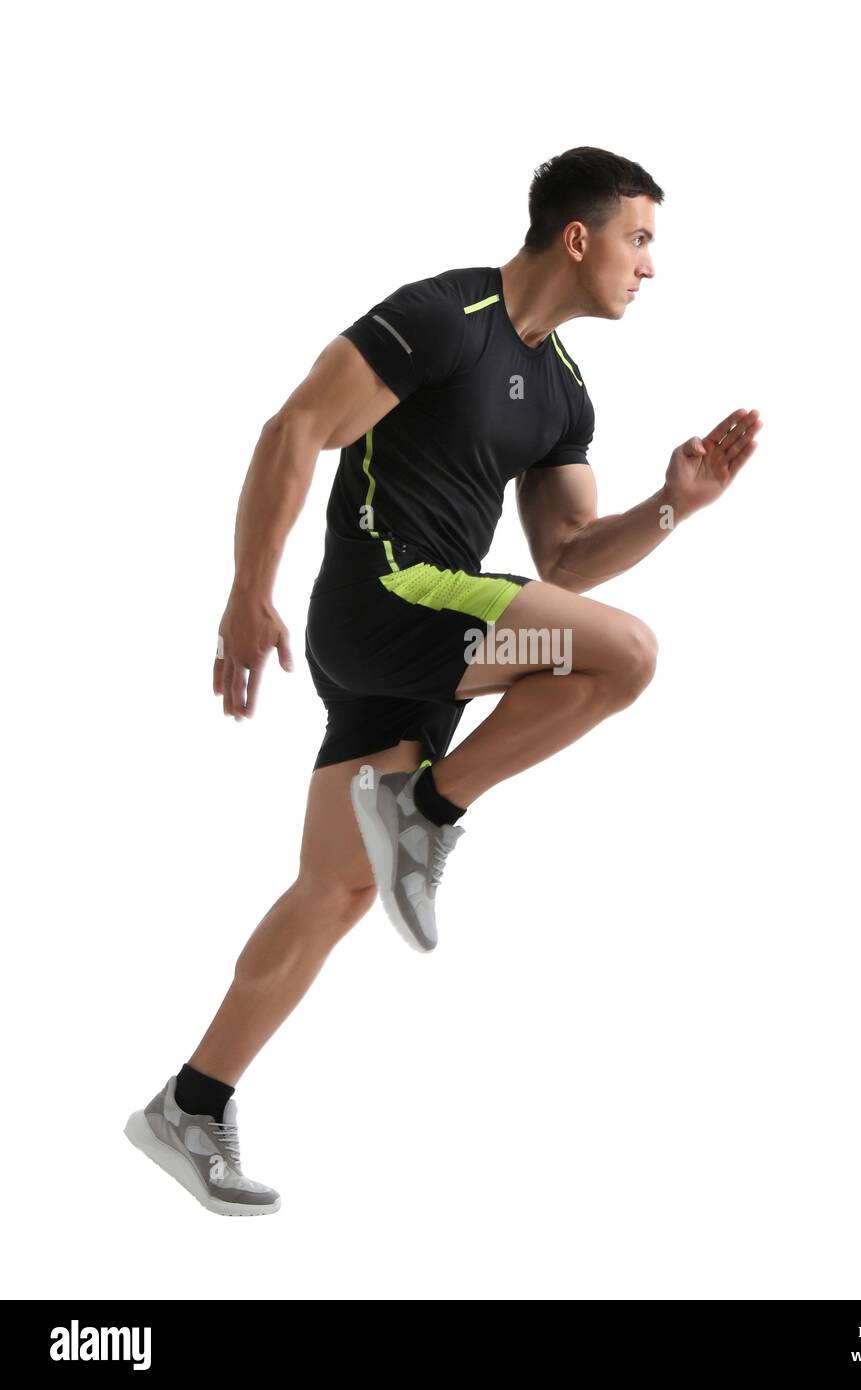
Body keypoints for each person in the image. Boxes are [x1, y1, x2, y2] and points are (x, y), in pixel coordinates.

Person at [124, 145, 763, 1215]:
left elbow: (565, 560)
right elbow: (294, 429)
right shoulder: (439, 315)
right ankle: (427, 808)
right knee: (629, 652)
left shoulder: (562, 393)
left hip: (431, 645)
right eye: (638, 239)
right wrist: (248, 589)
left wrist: (670, 504)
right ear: (578, 237)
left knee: (336, 890)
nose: (648, 267)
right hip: (384, 599)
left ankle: (193, 1100)